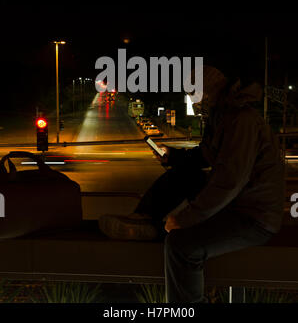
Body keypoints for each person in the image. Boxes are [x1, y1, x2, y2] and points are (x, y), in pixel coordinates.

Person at [98, 66, 285, 303]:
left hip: (253, 217)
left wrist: (186, 218)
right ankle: (144, 220)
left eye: (193, 95)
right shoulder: (223, 116)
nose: (192, 102)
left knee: (181, 247)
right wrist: (173, 157)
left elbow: (229, 181)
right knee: (184, 173)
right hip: (240, 203)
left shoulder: (241, 121)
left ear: (207, 94)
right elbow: (206, 155)